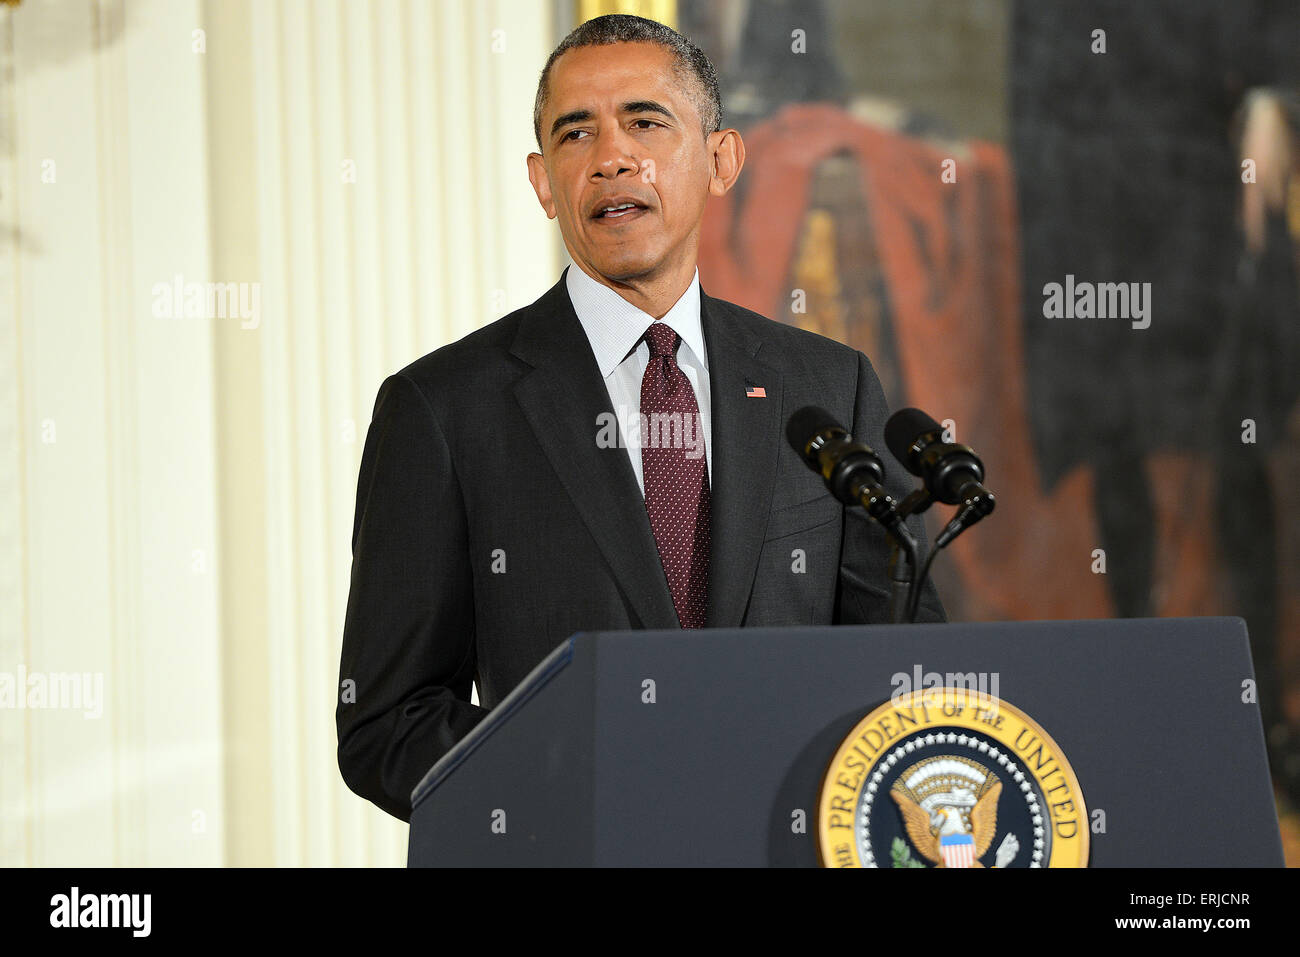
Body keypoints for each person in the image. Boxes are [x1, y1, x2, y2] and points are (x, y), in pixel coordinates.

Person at [336, 14, 944, 822]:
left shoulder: (828, 386)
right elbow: (388, 722)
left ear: (722, 160)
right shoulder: (445, 409)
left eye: (645, 122)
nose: (612, 156)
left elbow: (901, 663)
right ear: (544, 180)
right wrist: (585, 782)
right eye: (575, 133)